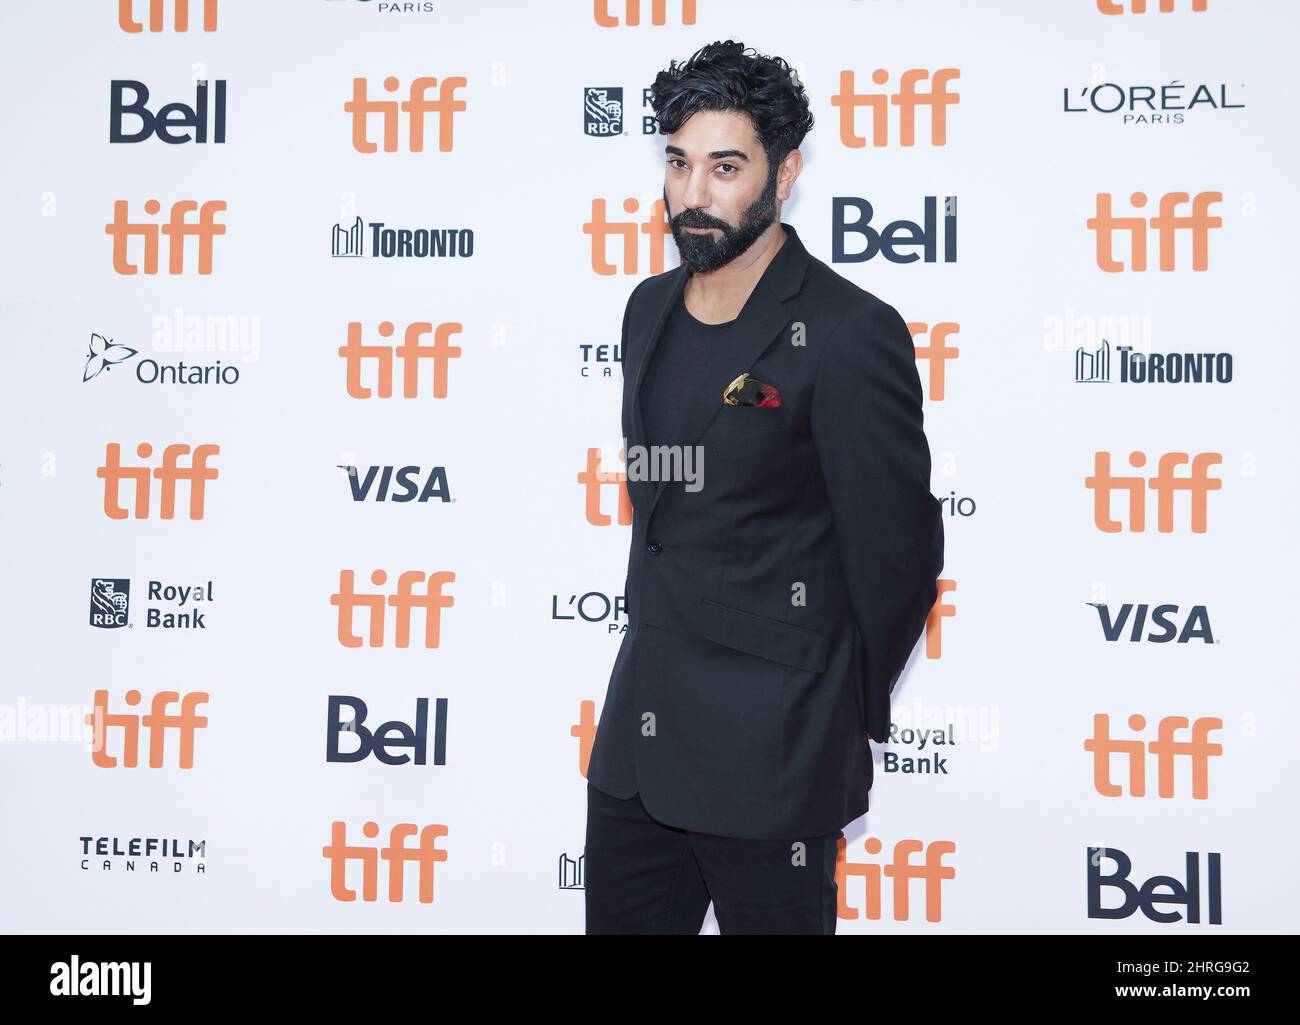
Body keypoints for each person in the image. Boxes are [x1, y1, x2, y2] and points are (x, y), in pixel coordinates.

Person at [585, 40, 944, 935]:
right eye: (677, 163)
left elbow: (898, 558)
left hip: (775, 764)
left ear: (783, 173)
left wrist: (826, 713)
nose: (693, 194)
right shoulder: (646, 308)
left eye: (725, 167)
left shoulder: (846, 332)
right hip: (638, 753)